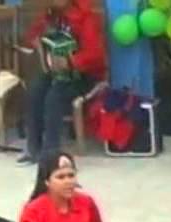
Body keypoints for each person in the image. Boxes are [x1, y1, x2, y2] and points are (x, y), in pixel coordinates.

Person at [18, 0, 106, 167]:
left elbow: (96, 55)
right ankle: (34, 148)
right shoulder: (51, 15)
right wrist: (36, 40)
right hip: (58, 73)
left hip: (85, 75)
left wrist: (72, 61)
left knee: (54, 96)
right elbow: (33, 35)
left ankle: (51, 153)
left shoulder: (85, 18)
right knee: (35, 90)